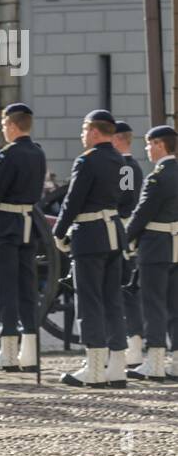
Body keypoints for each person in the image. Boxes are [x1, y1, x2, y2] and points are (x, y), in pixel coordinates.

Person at [55, 110, 127, 388]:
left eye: (84, 130)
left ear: (94, 132)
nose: (82, 135)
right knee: (113, 300)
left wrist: (58, 233)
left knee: (90, 301)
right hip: (113, 234)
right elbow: (128, 196)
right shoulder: (121, 161)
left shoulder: (86, 161)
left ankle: (95, 368)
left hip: (90, 236)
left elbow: (72, 201)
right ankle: (117, 367)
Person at [0, 103, 47, 372]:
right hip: (28, 225)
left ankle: (8, 351)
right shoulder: (38, 153)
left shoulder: (7, 154)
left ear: (11, 125)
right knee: (26, 288)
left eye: (3, 126)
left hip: (6, 226)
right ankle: (30, 350)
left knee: (5, 289)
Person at [124, 125, 178, 381]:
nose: (146, 149)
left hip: (156, 247)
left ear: (159, 144)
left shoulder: (157, 177)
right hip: (175, 246)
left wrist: (124, 240)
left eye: (148, 144)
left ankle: (155, 362)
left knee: (153, 304)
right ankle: (176, 361)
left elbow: (142, 214)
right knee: (175, 305)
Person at [113, 121, 146, 366]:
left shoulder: (125, 167)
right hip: (122, 229)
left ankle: (133, 345)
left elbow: (124, 199)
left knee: (126, 290)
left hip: (122, 229)